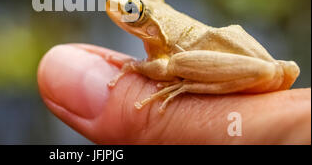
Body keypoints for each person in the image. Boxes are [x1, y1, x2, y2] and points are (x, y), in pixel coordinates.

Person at [37, 44, 311, 144]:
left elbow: (163, 67)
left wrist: (136, 67)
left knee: (176, 66)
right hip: (263, 63)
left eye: (134, 11)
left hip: (228, 65)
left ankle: (189, 84)